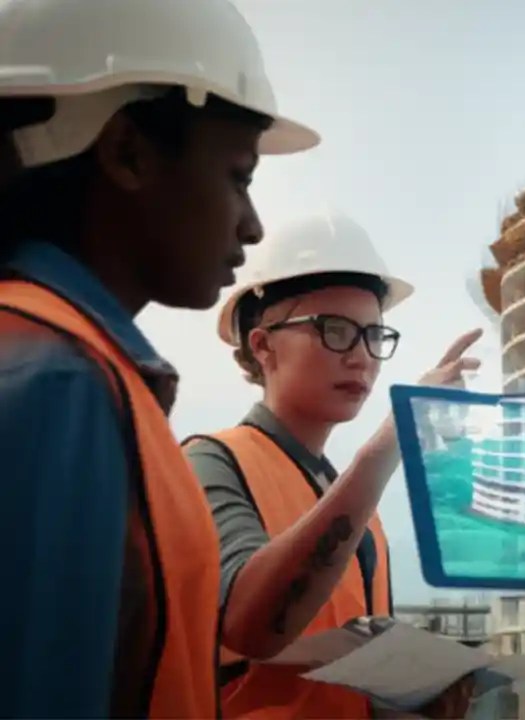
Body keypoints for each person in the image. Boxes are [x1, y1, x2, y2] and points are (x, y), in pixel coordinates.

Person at [0, 1, 315, 717]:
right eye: (238, 176)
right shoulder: (58, 378)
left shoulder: (78, 368)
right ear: (129, 153)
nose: (252, 225)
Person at [184, 208, 482, 719]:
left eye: (374, 335)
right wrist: (393, 440)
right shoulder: (212, 462)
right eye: (335, 330)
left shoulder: (359, 511)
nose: (362, 356)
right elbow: (251, 625)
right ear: (263, 346)